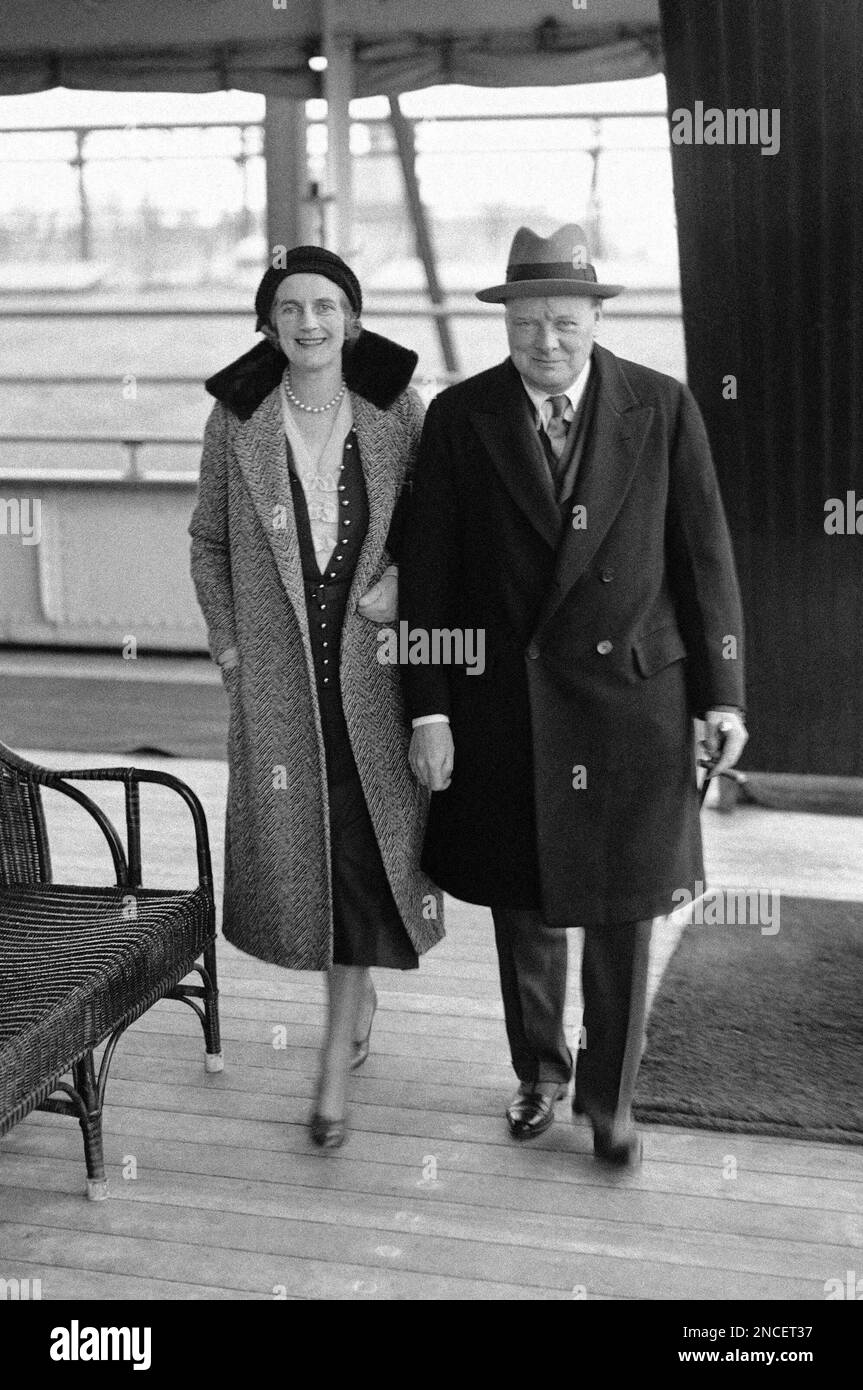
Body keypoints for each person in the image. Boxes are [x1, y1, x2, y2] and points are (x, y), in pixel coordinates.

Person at [399, 224, 747, 1167]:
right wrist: (428, 710)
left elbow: (704, 564)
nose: (544, 342)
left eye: (563, 321)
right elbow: (426, 579)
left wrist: (724, 700)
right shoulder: (460, 418)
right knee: (525, 903)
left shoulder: (662, 407)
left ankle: (609, 1099)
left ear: (595, 316)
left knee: (624, 909)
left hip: (637, 702)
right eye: (525, 324)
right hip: (507, 704)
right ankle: (538, 1076)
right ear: (503, 324)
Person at [190, 245, 443, 1150]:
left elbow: (442, 521)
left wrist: (407, 580)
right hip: (278, 680)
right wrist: (229, 649)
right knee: (316, 846)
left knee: (366, 846)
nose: (309, 323)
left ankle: (331, 1060)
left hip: (376, 672)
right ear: (267, 322)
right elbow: (208, 544)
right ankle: (345, 1019)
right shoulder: (237, 419)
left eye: (327, 305)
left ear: (354, 319)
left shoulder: (397, 407)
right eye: (291, 307)